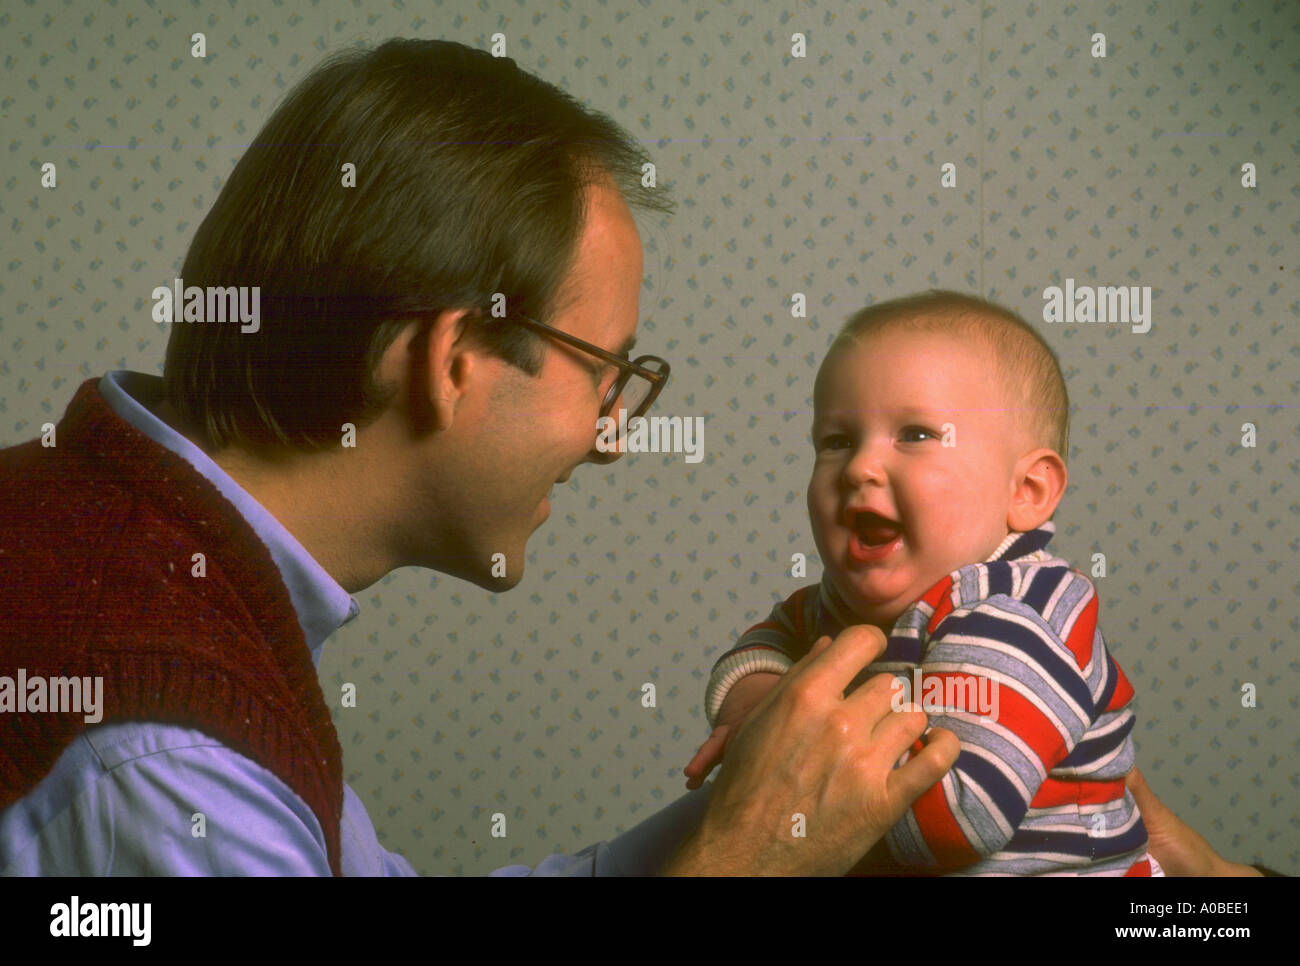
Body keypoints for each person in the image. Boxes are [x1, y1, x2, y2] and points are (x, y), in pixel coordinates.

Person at [0, 38, 1263, 878]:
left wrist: (746, 822)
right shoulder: (166, 760)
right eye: (607, 373)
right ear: (452, 358)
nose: (612, 437)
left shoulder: (150, 552)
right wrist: (743, 864)